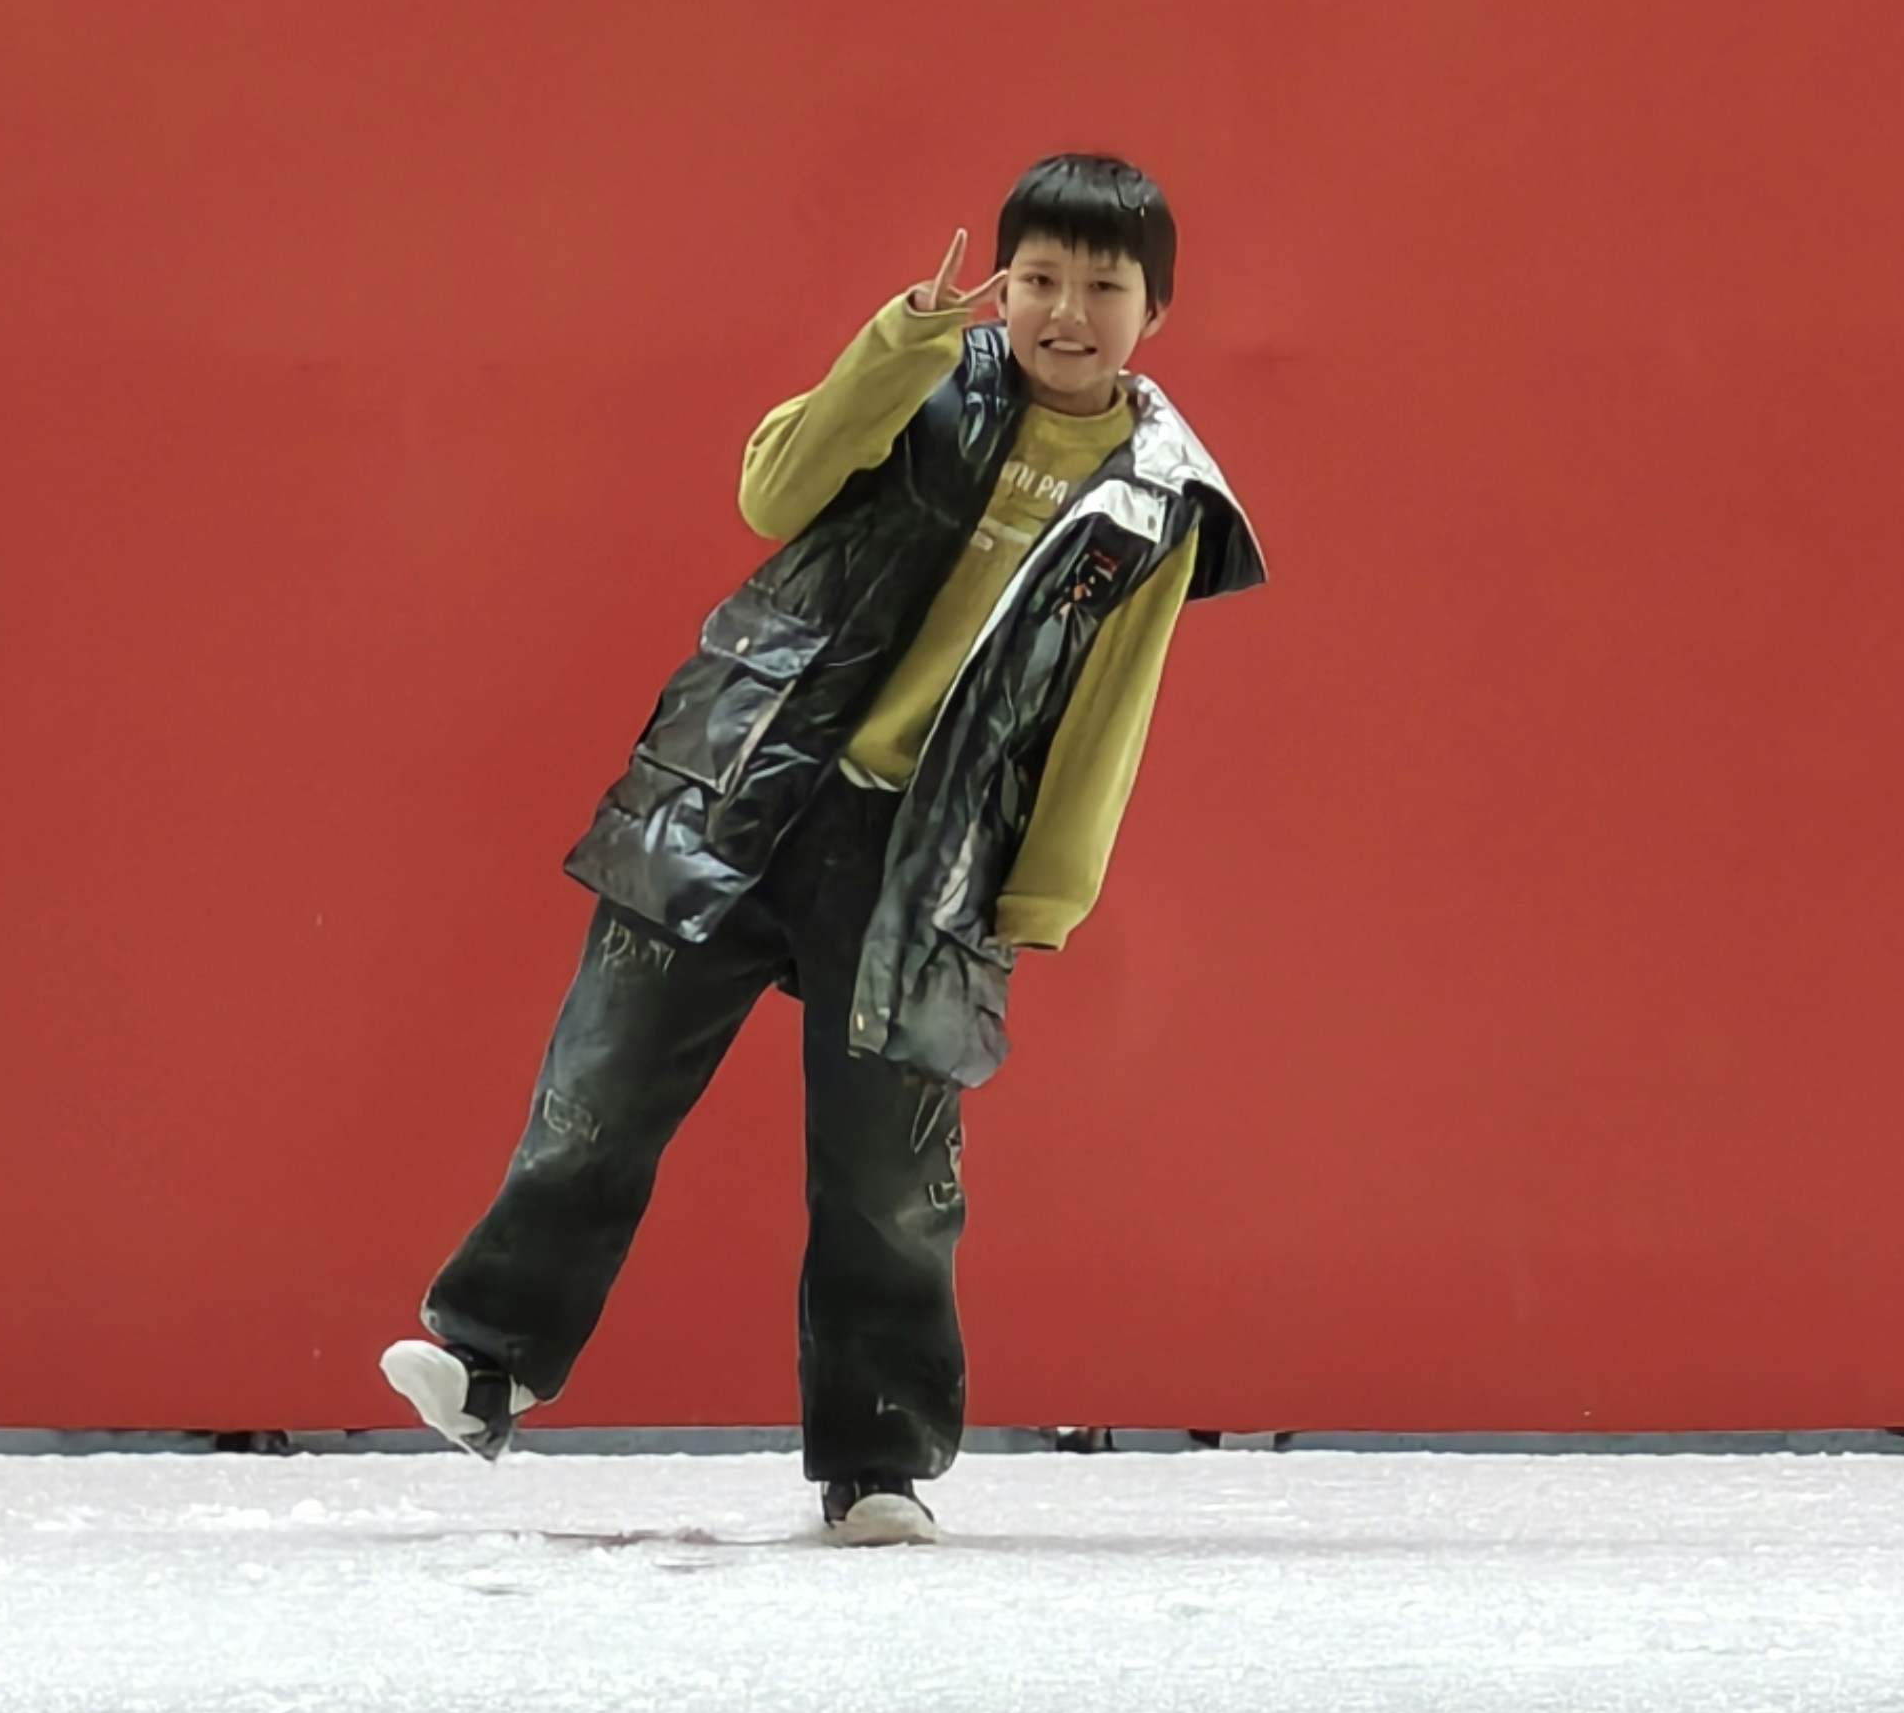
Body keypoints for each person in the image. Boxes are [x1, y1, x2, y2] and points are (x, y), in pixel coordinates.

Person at [380, 155, 1259, 1542]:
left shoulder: (1158, 499)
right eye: (1040, 280)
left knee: (891, 1177)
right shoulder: (930, 375)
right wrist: (898, 339)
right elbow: (773, 492)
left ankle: (878, 1465)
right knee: (598, 1083)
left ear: (1160, 308)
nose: (1066, 312)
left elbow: (1111, 706)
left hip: (930, 852)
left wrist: (1045, 889)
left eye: (1104, 287)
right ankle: (486, 1361)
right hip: (742, 783)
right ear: (1005, 284)